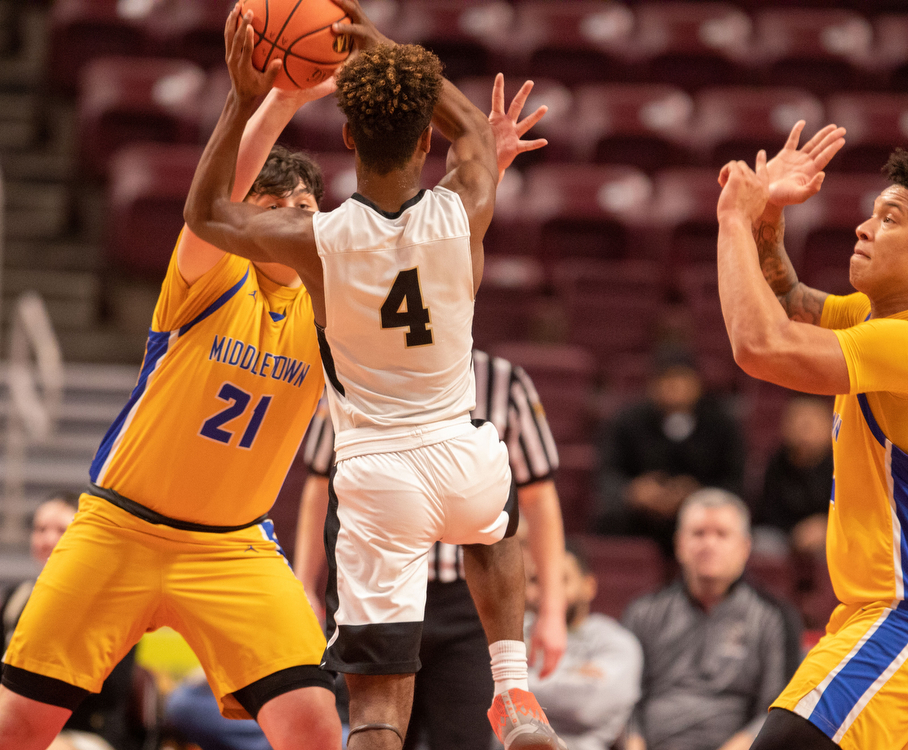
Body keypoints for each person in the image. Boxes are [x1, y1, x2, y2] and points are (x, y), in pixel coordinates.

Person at [183, 4, 564, 749]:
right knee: (493, 523)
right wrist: (392, 53)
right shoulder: (466, 208)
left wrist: (242, 97)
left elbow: (203, 214)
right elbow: (473, 139)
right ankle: (513, 688)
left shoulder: (314, 239)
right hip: (460, 450)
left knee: (378, 713)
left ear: (348, 136)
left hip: (376, 477)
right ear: (427, 138)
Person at [0, 80, 346, 748]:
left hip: (232, 546)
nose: (293, 215)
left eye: (305, 205)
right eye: (271, 205)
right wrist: (269, 105)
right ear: (242, 222)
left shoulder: (330, 309)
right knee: (19, 727)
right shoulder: (213, 277)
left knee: (315, 726)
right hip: (120, 530)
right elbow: (208, 208)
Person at [716, 121, 908, 749]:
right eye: (871, 214)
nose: (864, 228)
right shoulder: (878, 318)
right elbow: (787, 299)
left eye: (890, 218)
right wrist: (767, 219)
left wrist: (733, 217)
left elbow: (760, 345)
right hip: (877, 611)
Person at [296, 349, 568, 750]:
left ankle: (512, 690)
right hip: (386, 580)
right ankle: (513, 691)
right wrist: (304, 581)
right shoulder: (354, 367)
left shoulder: (505, 381)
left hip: (465, 600)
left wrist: (553, 609)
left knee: (406, 731)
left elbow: (539, 497)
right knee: (375, 726)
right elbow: (321, 482)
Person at [622, 489, 802, 750]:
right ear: (679, 545)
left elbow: (777, 711)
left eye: (721, 534)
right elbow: (626, 702)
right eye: (698, 533)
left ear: (745, 547)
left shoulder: (774, 617)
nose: (709, 544)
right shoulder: (643, 612)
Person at [1, 495, 137, 750]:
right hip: (19, 726)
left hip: (85, 733)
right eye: (40, 529)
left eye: (62, 530)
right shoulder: (14, 599)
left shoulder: (115, 605)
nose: (48, 539)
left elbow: (110, 691)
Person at [596, 344, 745, 560]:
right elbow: (606, 476)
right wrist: (635, 492)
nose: (674, 386)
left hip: (704, 518)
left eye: (682, 379)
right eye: (666, 379)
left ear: (698, 384)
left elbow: (735, 483)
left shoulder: (722, 425)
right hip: (639, 519)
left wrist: (699, 495)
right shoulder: (626, 421)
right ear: (652, 385)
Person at [523, 541, 643, 750]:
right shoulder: (508, 633)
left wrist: (509, 684)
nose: (548, 592)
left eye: (562, 580)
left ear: (589, 586)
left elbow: (586, 707)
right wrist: (572, 675)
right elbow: (479, 689)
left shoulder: (617, 643)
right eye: (536, 580)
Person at [756, 395, 834, 555]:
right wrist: (796, 532)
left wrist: (826, 526)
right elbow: (767, 512)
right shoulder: (776, 462)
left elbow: (855, 516)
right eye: (798, 419)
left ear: (830, 426)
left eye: (812, 420)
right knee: (763, 543)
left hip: (831, 534)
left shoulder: (842, 464)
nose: (804, 427)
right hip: (786, 536)